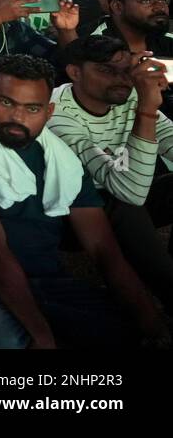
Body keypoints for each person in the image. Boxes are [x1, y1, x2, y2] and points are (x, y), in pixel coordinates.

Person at [0, 54, 168, 349]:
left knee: (124, 330)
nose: (18, 118)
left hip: (44, 275)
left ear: (49, 111)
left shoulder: (61, 158)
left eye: (32, 108)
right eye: (7, 102)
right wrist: (42, 336)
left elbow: (102, 248)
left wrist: (152, 325)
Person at [48, 35, 173, 308]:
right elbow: (128, 191)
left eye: (127, 69)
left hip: (124, 193)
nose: (121, 79)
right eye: (106, 70)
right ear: (75, 72)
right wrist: (147, 110)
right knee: (123, 204)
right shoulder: (56, 113)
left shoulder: (129, 98)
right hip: (67, 219)